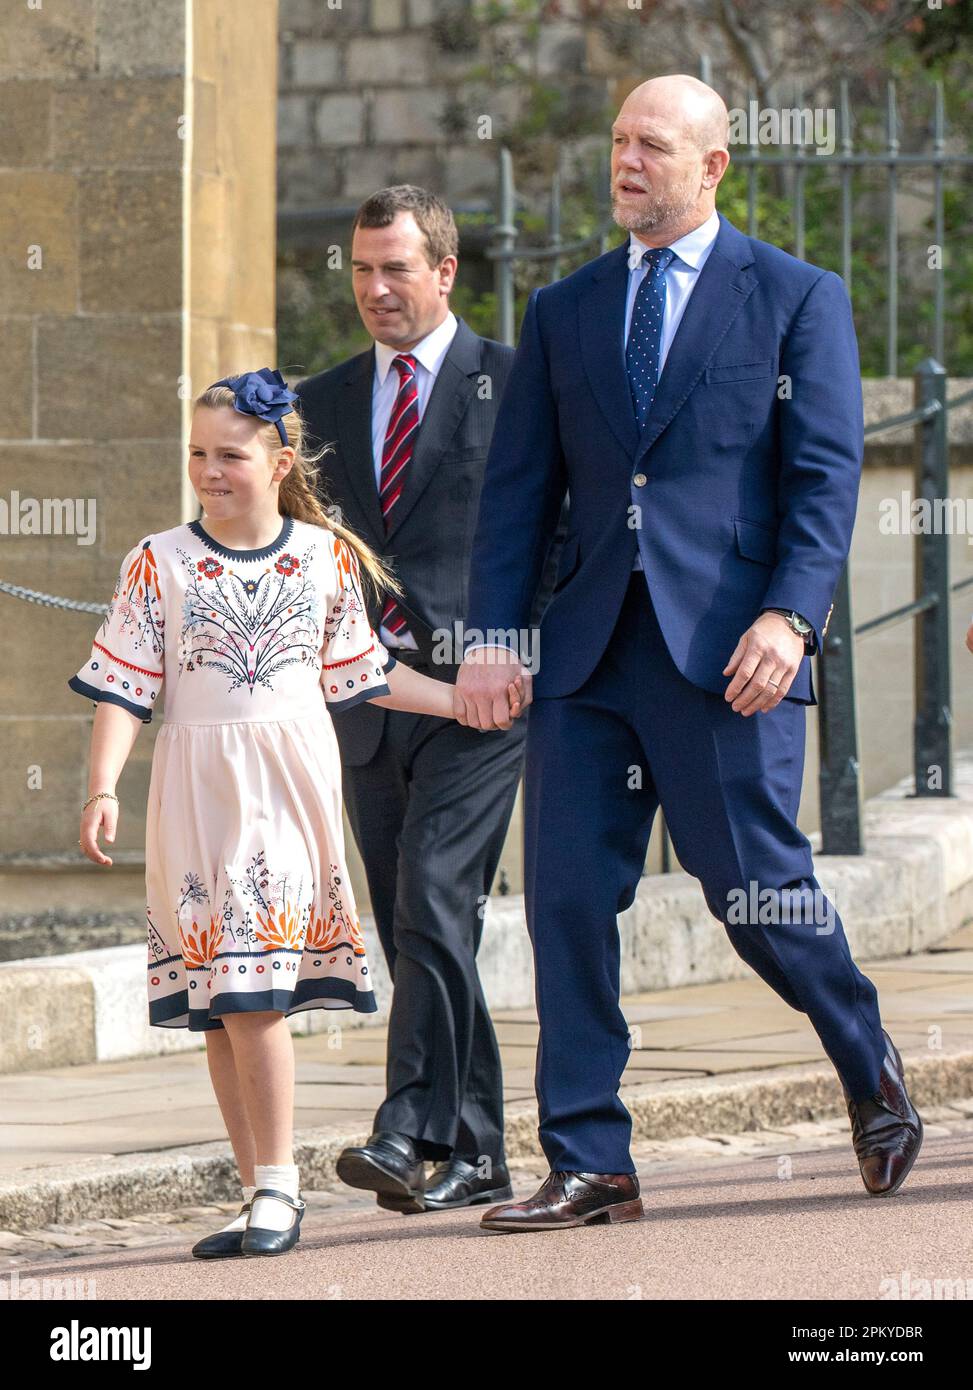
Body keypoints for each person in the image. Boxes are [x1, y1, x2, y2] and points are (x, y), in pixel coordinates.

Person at [455, 74, 923, 1234]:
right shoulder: (564, 312)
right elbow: (518, 497)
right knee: (564, 900)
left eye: (651, 146)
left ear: (713, 165)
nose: (627, 164)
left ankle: (866, 1066)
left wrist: (790, 616)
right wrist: (496, 642)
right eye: (618, 143)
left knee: (756, 898)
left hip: (729, 659)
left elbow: (824, 476)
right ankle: (589, 1158)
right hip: (585, 663)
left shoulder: (796, 297)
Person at [68, 368, 523, 1259]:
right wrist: (101, 787)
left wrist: (461, 701)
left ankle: (280, 1186)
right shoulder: (157, 561)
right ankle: (254, 1190)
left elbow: (366, 676)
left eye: (229, 455)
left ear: (277, 463)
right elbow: (123, 688)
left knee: (254, 994)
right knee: (215, 1000)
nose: (208, 470)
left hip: (284, 793)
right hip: (195, 796)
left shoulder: (324, 559)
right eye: (197, 453)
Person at [296, 186, 566, 1213]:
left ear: (444, 271)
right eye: (361, 270)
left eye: (395, 268)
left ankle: (407, 1127)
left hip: (485, 692)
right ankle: (483, 1150)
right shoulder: (314, 403)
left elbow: (558, 525)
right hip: (368, 705)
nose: (374, 288)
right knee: (422, 920)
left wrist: (518, 651)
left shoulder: (512, 381)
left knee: (432, 897)